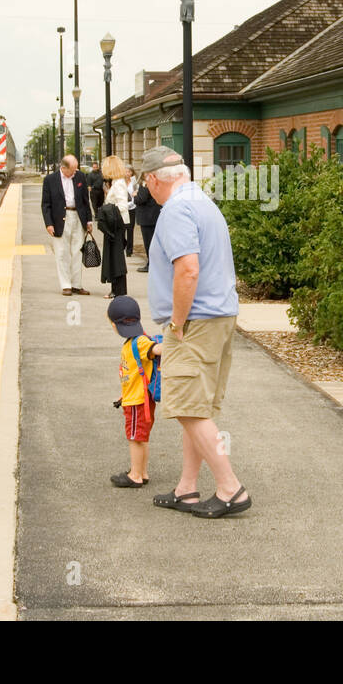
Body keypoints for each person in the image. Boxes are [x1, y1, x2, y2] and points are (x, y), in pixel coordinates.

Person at [140, 146, 251, 519]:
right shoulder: (203, 201)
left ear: (155, 179)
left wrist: (176, 322)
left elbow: (188, 269)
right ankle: (187, 488)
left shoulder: (174, 210)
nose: (147, 189)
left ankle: (230, 488)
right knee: (196, 405)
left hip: (195, 322)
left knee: (187, 406)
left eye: (146, 182)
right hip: (220, 315)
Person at [108, 295, 163, 488]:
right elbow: (134, 374)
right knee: (141, 438)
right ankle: (142, 472)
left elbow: (156, 349)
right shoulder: (134, 341)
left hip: (138, 403)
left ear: (114, 325)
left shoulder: (139, 342)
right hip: (136, 398)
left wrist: (173, 340)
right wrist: (123, 395)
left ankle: (135, 475)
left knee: (134, 438)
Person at [40, 154, 93, 296]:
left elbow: (85, 200)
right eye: (73, 169)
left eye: (76, 169)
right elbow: (46, 204)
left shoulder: (80, 177)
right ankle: (66, 285)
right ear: (63, 168)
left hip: (78, 217)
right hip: (59, 219)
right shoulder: (50, 180)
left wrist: (89, 220)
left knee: (77, 252)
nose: (75, 172)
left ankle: (77, 284)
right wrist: (49, 224)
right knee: (62, 253)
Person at [97, 155, 130, 299]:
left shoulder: (119, 184)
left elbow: (122, 205)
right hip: (115, 224)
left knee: (116, 258)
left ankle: (119, 290)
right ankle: (116, 288)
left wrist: (108, 210)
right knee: (114, 257)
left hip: (116, 225)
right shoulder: (116, 183)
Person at [133, 175, 161, 273]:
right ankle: (154, 264)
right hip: (153, 217)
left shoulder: (145, 185)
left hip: (147, 218)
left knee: (149, 243)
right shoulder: (156, 184)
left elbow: (141, 199)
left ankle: (151, 265)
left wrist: (135, 195)